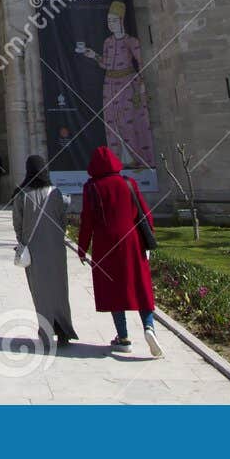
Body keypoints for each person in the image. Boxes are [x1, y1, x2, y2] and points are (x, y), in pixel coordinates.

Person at [75, 145, 162, 357]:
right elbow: (145, 214)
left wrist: (82, 248)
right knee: (140, 286)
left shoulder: (92, 187)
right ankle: (149, 327)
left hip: (106, 243)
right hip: (132, 240)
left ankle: (123, 338)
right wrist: (149, 239)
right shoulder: (129, 183)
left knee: (114, 289)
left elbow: (87, 221)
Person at [74, 0, 154, 169]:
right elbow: (106, 64)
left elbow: (141, 63)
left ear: (121, 20)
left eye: (113, 20)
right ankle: (120, 161)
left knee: (128, 121)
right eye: (109, 21)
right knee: (112, 123)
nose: (111, 24)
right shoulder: (108, 42)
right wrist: (93, 55)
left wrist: (140, 86)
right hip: (110, 84)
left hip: (127, 83)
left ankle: (139, 159)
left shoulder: (131, 41)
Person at [11, 155, 77, 348]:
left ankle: (46, 332)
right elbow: (63, 218)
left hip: (34, 250)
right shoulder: (55, 193)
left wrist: (22, 241)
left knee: (40, 292)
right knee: (60, 289)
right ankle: (64, 331)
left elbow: (18, 223)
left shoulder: (22, 194)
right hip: (56, 249)